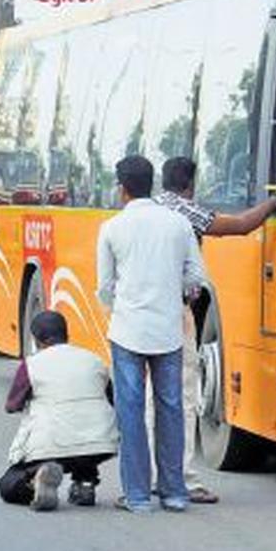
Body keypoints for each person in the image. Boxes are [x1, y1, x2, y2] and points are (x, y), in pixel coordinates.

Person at [151, 156, 276, 504]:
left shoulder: (150, 208)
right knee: (182, 395)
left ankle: (151, 476)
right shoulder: (184, 212)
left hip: (142, 314)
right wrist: (275, 201)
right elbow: (239, 225)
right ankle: (183, 481)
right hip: (173, 313)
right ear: (191, 185)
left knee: (151, 400)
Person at [96, 155, 207, 514]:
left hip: (127, 330)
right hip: (168, 331)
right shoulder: (178, 224)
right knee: (171, 408)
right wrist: (175, 295)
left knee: (130, 411)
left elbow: (104, 287)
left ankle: (138, 496)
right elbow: (195, 277)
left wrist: (122, 304)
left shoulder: (112, 228)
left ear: (122, 188)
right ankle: (174, 493)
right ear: (152, 183)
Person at [0, 311, 119, 512]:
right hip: (100, 444)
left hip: (54, 445)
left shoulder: (32, 365)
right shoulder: (94, 360)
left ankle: (37, 475)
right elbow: (112, 399)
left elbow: (12, 406)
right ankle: (85, 483)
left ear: (36, 339)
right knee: (82, 439)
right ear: (66, 334)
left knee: (8, 484)